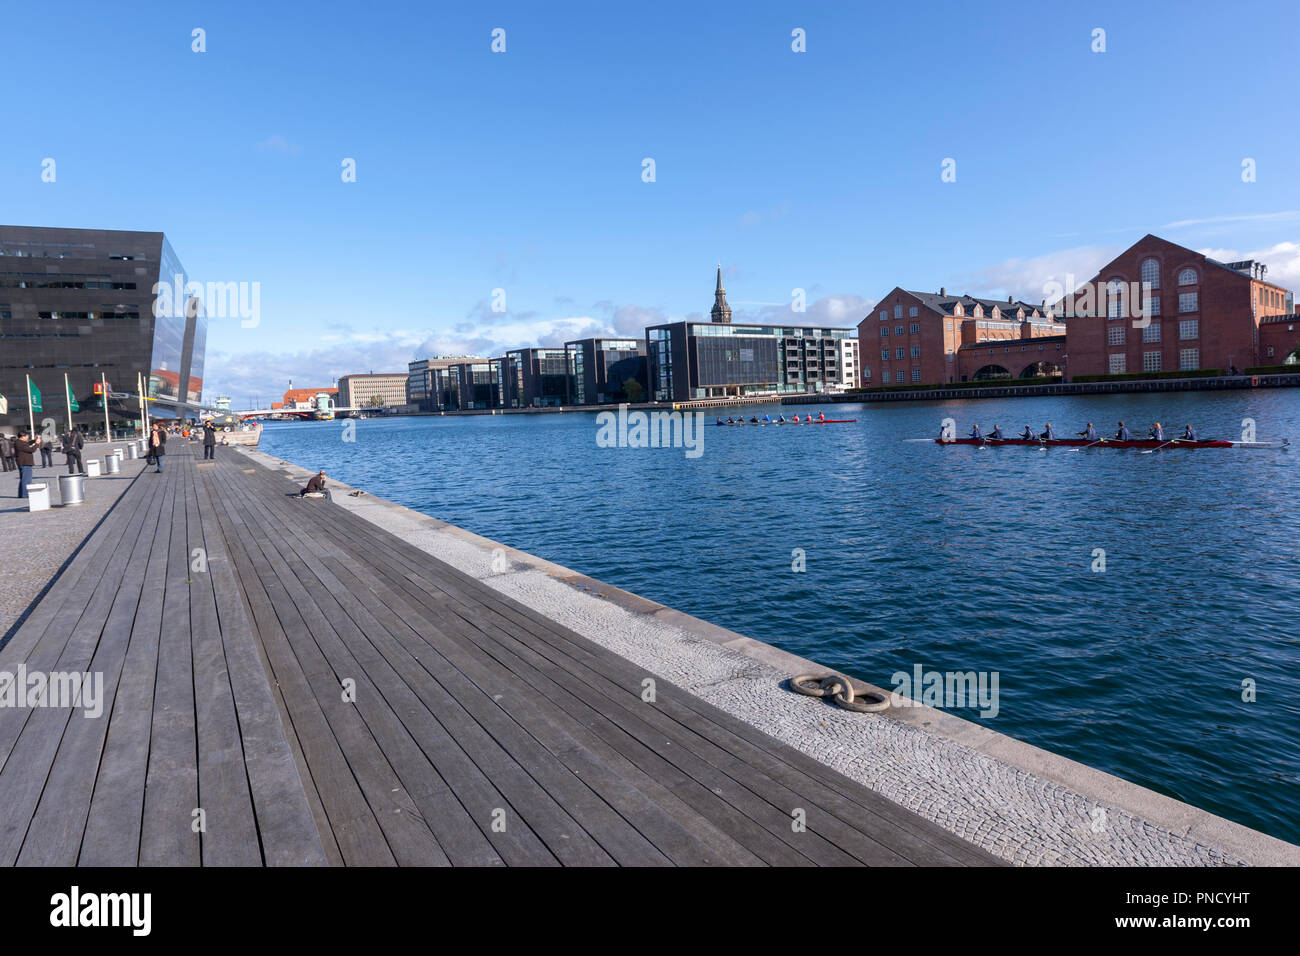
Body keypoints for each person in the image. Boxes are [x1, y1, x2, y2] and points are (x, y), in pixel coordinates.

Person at [13, 430, 39, 498]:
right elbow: (31, 450)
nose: (28, 437)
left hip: (24, 462)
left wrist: (34, 440)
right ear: (22, 436)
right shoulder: (19, 443)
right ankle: (25, 494)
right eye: (27, 436)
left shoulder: (20, 442)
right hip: (25, 463)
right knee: (26, 479)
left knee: (23, 479)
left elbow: (27, 444)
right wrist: (37, 444)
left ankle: (22, 494)